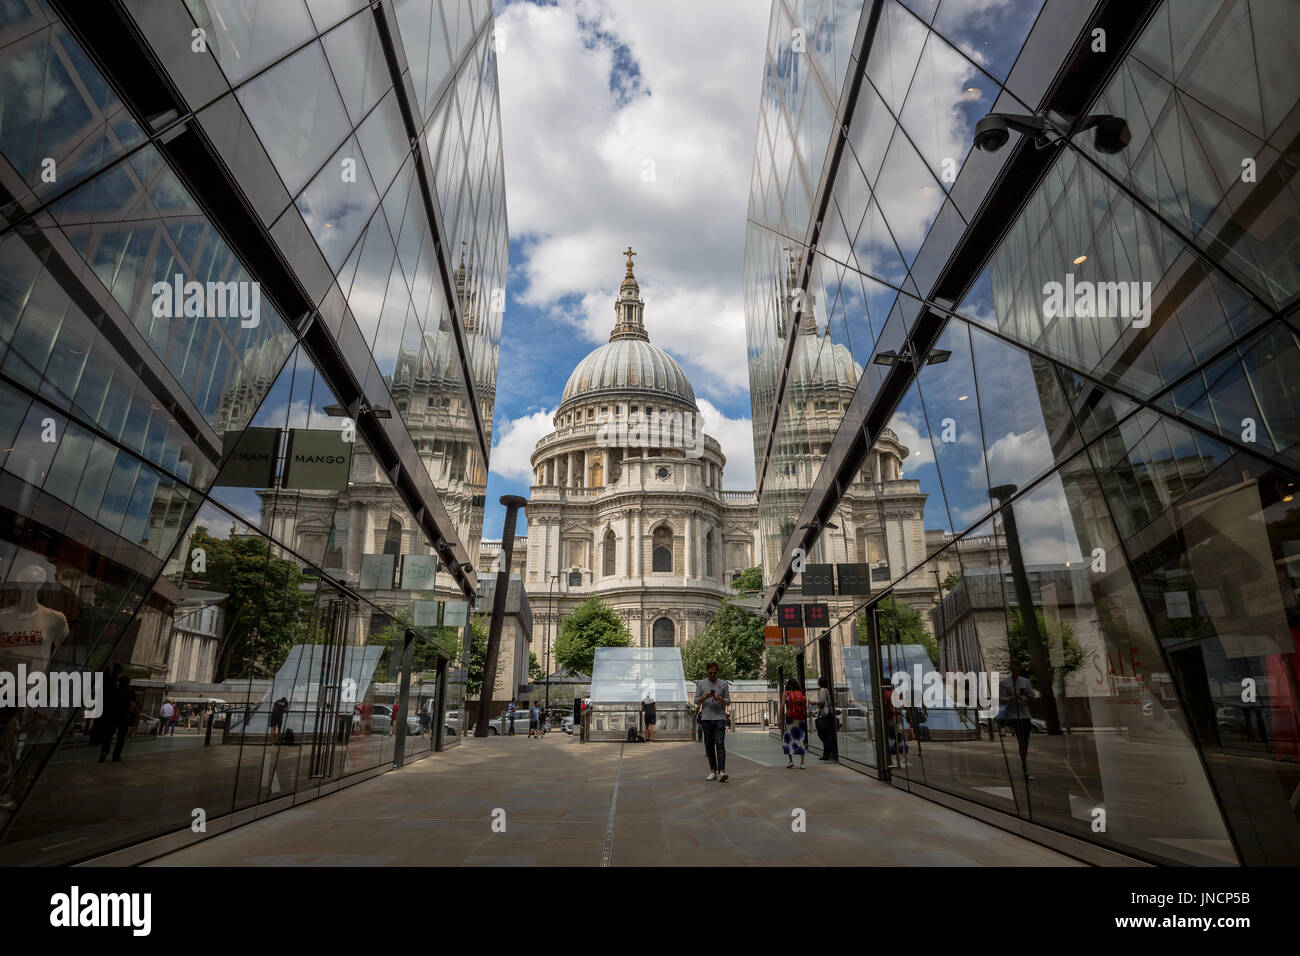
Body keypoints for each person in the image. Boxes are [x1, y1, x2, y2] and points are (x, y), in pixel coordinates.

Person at [694, 661, 730, 781]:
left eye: (714, 673)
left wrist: (720, 698)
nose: (712, 675)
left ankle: (722, 771)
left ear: (717, 671)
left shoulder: (723, 684)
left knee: (720, 744)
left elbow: (728, 701)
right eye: (710, 673)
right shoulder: (701, 684)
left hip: (719, 718)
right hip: (706, 719)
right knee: (709, 746)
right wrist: (705, 696)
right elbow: (696, 700)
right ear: (707, 672)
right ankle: (713, 771)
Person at [999, 659, 1036, 776]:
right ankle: (1024, 764)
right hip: (1014, 716)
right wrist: (1016, 697)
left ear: (1019, 668)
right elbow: (1002, 699)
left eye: (1017, 667)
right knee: (1021, 740)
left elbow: (1033, 697)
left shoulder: (1025, 682)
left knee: (1025, 740)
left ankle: (1024, 761)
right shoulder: (1004, 682)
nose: (1015, 670)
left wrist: (1027, 696)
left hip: (1025, 714)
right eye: (1013, 667)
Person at [93, 676, 136, 762]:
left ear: (119, 682)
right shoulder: (130, 692)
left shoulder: (113, 691)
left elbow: (106, 703)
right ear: (128, 683)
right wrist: (136, 713)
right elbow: (133, 705)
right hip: (123, 717)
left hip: (111, 716)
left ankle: (104, 754)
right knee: (121, 737)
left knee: (108, 736)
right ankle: (116, 756)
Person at [780, 678, 808, 769]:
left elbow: (782, 706)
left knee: (789, 739)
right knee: (801, 739)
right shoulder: (801, 693)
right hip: (800, 719)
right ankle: (802, 763)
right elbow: (804, 706)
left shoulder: (785, 693)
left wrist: (779, 719)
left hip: (790, 719)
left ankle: (790, 761)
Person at [814, 676, 838, 761]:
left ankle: (833, 750)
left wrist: (813, 702)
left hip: (825, 716)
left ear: (819, 683)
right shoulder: (827, 690)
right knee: (826, 735)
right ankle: (826, 754)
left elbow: (821, 702)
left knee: (822, 735)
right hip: (829, 715)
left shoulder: (822, 691)